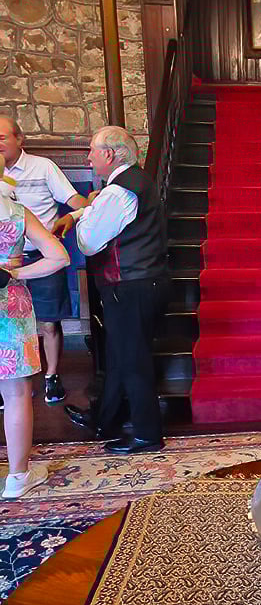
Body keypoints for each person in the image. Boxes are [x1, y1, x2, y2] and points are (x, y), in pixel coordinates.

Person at [56, 127, 169, 454]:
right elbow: (103, 213)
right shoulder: (131, 183)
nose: (88, 156)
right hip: (141, 281)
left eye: (92, 150)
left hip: (130, 285)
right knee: (120, 357)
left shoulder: (120, 191)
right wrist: (85, 209)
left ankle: (148, 435)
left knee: (132, 361)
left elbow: (90, 242)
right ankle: (104, 420)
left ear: (110, 154)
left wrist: (79, 219)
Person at [0, 117, 88, 404]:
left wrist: (93, 205)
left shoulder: (43, 167)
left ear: (19, 139)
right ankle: (9, 380)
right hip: (4, 265)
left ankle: (51, 376)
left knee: (48, 322)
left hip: (42, 258)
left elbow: (73, 199)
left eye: (1, 137)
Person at [0, 156, 70, 499]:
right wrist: (14, 273)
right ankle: (17, 477)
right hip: (9, 304)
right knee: (15, 394)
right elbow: (59, 257)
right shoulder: (16, 213)